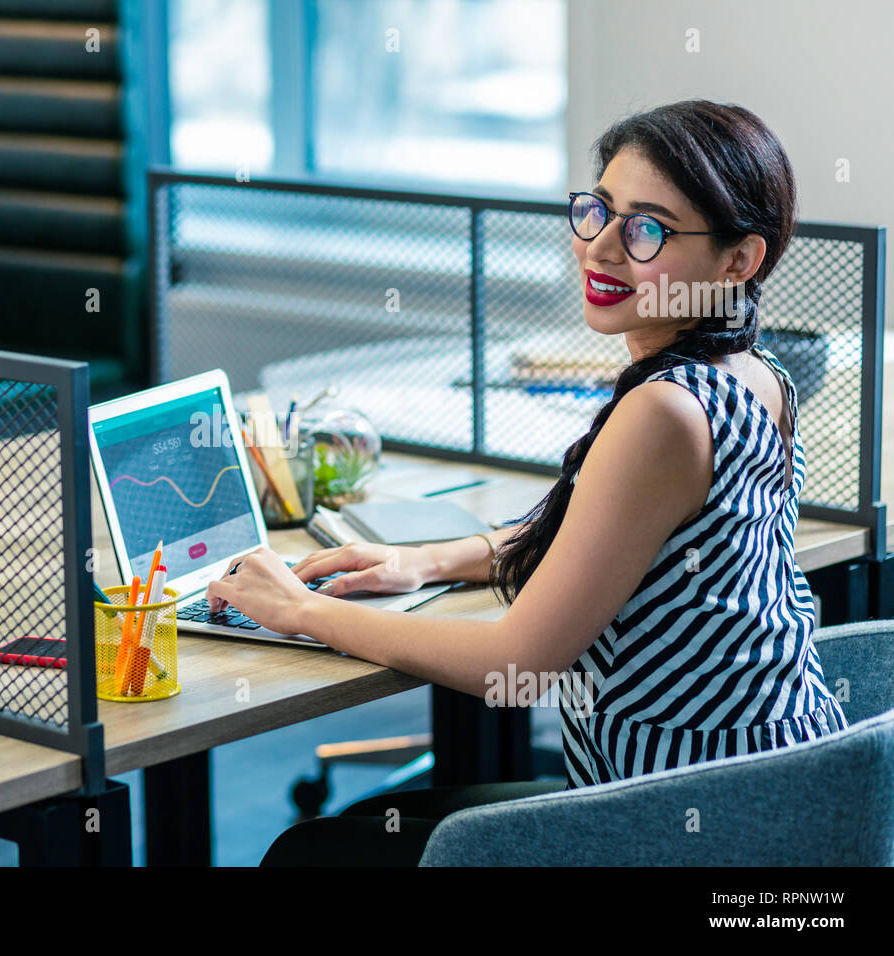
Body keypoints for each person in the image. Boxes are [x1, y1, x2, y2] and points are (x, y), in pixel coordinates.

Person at [205, 100, 850, 866]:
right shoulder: (756, 374)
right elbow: (611, 536)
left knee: (312, 855)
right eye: (598, 210)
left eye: (647, 229)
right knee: (368, 827)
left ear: (739, 260)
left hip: (684, 827)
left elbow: (512, 667)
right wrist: (431, 559)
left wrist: (301, 610)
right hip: (779, 790)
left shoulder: (667, 412)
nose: (600, 248)